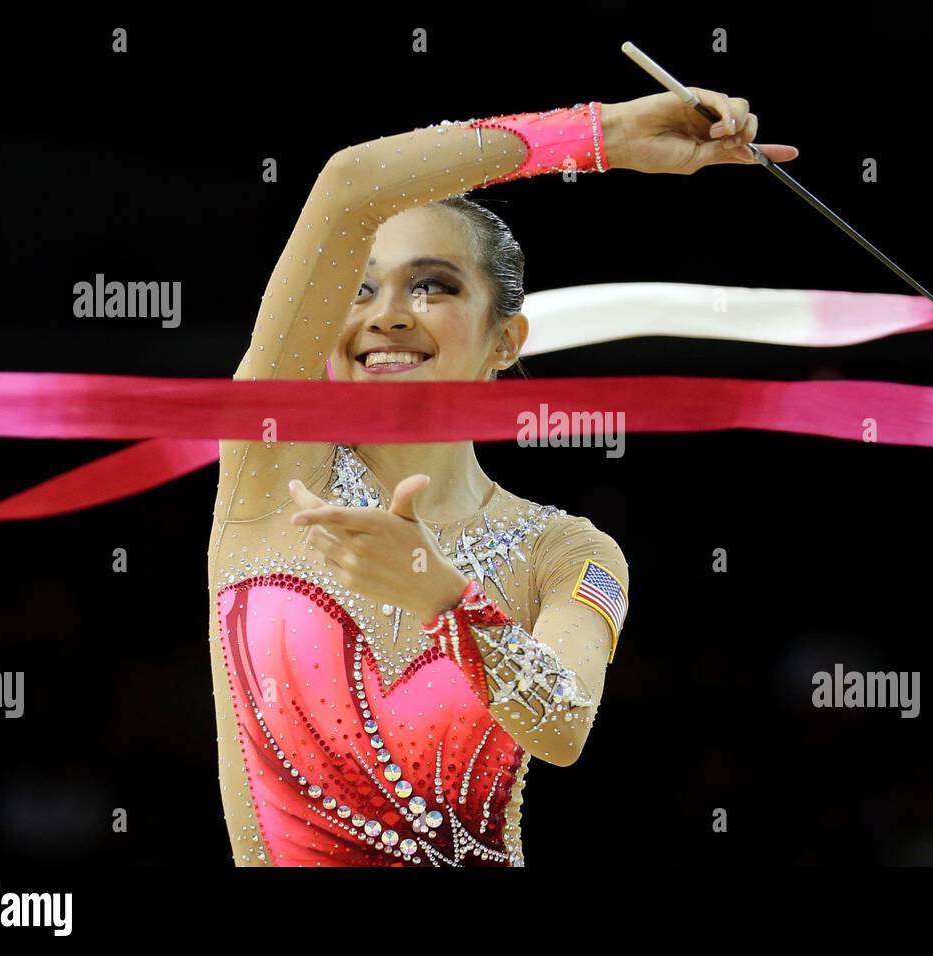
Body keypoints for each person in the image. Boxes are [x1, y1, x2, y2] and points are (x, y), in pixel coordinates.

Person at [206, 91, 798, 866]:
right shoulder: (268, 464)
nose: (386, 314)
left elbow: (563, 726)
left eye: (434, 286)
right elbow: (349, 185)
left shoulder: (567, 551)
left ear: (503, 339)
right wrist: (603, 134)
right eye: (360, 286)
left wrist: (442, 598)